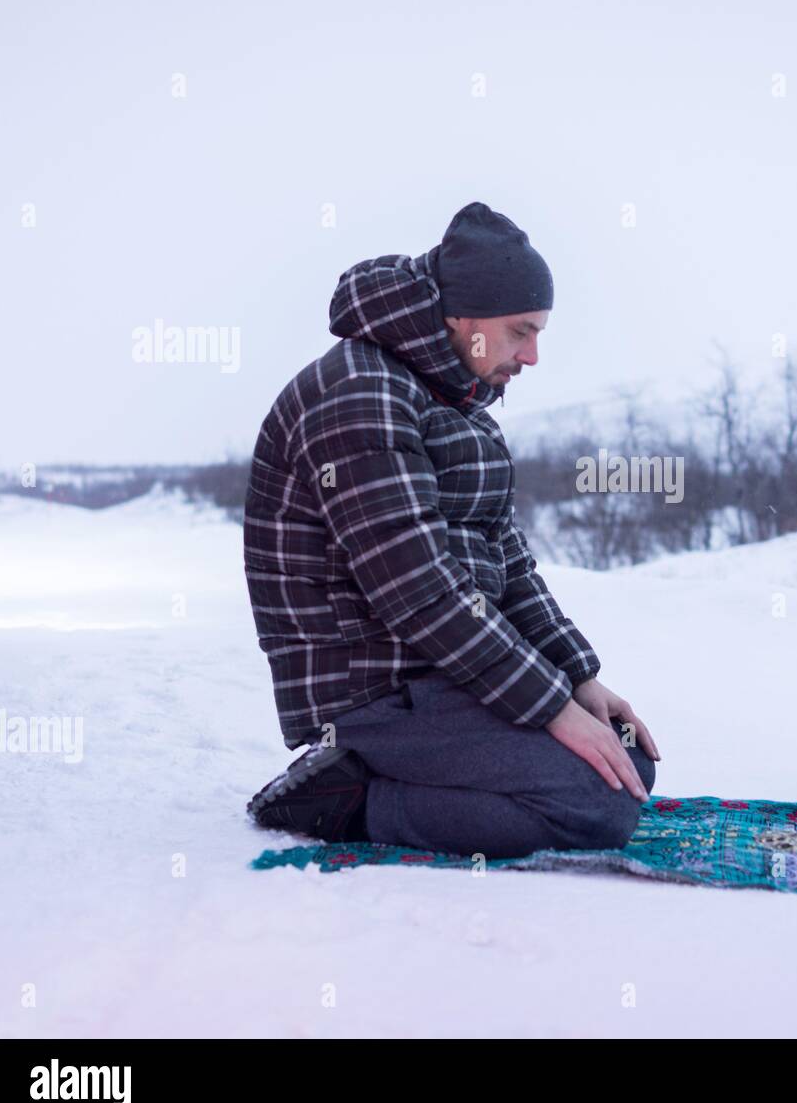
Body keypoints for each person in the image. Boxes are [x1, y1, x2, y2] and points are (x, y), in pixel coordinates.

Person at [244, 202, 660, 858]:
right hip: (373, 688)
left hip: (442, 673)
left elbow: (510, 563)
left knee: (627, 759)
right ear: (463, 317)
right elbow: (421, 592)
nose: (533, 355)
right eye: (520, 331)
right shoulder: (360, 395)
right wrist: (552, 709)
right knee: (596, 802)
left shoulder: (455, 403)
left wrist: (579, 680)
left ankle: (392, 778)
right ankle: (346, 798)